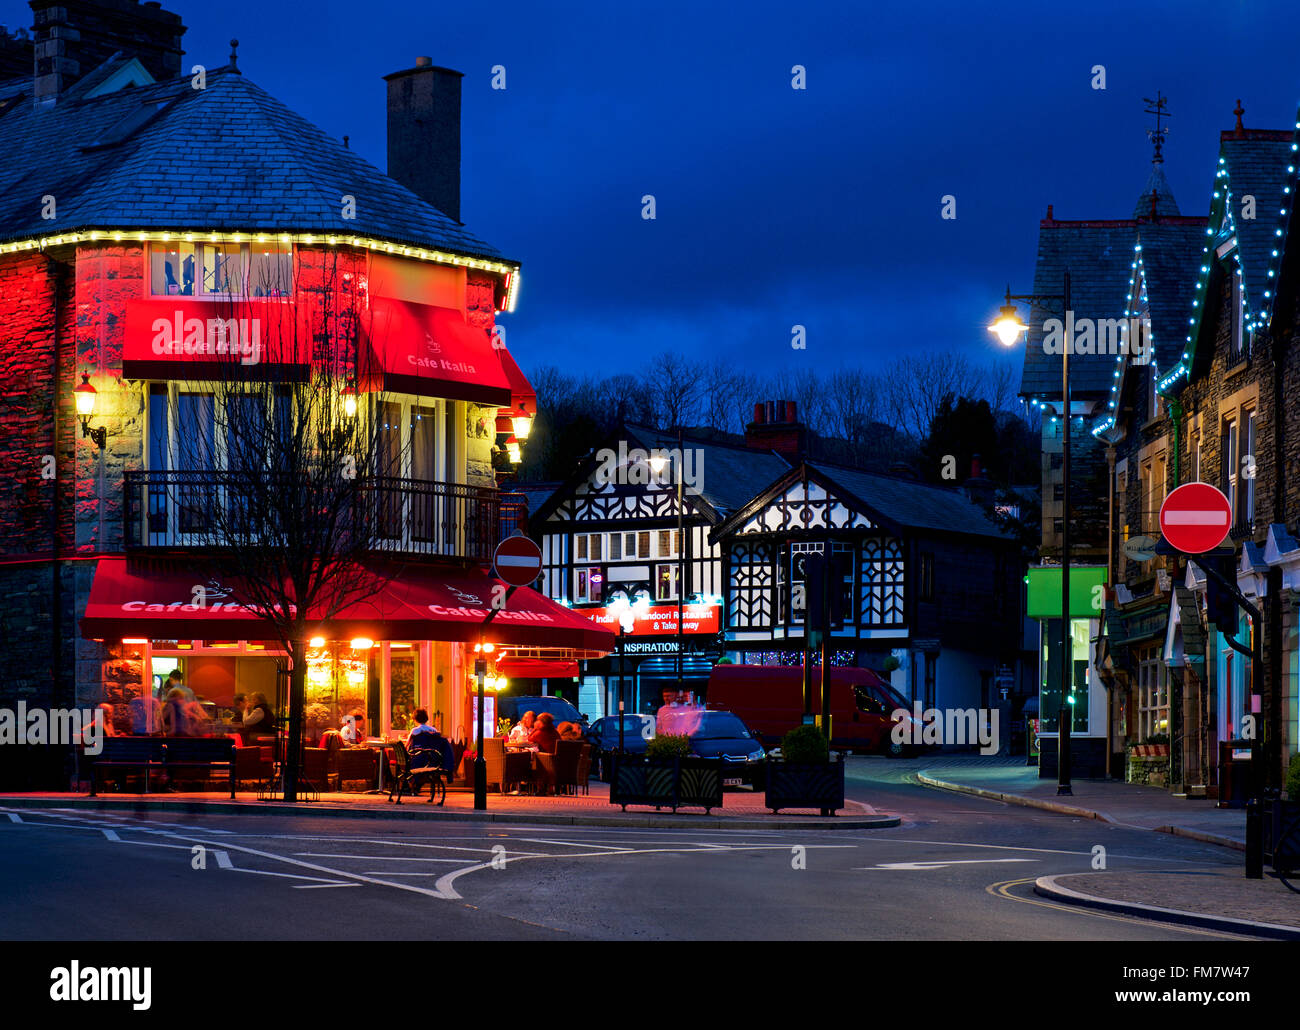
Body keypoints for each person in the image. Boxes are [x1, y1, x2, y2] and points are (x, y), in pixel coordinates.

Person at [406, 708, 454, 773]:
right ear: (426, 719)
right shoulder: (434, 730)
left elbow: (407, 745)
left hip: (418, 760)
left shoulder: (415, 731)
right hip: (433, 760)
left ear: (415, 719)